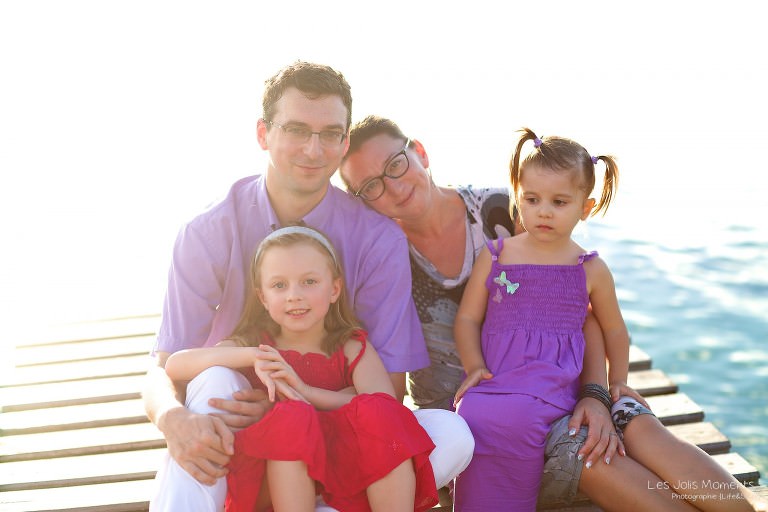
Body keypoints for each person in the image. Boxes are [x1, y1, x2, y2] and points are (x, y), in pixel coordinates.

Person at [339, 118, 767, 512]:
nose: (392, 187)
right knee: (599, 457)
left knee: (640, 430)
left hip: (569, 384)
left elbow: (584, 314)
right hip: (485, 419)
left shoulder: (508, 209)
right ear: (359, 201)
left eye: (396, 164)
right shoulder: (377, 260)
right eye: (369, 186)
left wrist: (597, 393)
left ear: (420, 152)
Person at [144, 62, 473, 511]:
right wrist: (171, 418)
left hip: (336, 431)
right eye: (297, 130)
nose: (314, 150)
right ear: (264, 134)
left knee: (452, 434)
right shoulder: (208, 231)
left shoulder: (376, 239)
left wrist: (291, 407)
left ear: (343, 142)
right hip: (236, 429)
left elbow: (388, 393)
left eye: (331, 134)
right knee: (211, 385)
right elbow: (165, 365)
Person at [163, 226, 438, 512]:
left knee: (379, 413)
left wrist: (305, 391)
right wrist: (251, 355)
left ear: (334, 289)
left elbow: (384, 404)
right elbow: (176, 365)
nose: (294, 295)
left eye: (308, 281)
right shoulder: (257, 346)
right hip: (273, 479)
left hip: (342, 467)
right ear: (263, 298)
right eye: (279, 285)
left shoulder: (349, 346)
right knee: (293, 417)